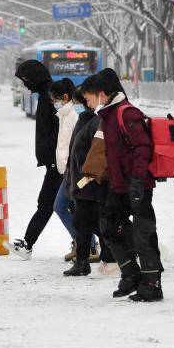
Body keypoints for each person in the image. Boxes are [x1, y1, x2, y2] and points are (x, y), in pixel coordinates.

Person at [84, 68, 165, 302]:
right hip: (118, 185)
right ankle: (131, 273)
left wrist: (138, 180)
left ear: (103, 93)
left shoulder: (126, 114)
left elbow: (143, 148)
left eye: (95, 95)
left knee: (143, 232)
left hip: (137, 184)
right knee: (109, 225)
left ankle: (152, 282)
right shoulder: (109, 115)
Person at [4, 59, 61, 259]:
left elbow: (57, 131)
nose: (25, 84)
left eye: (26, 79)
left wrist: (54, 158)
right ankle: (93, 243)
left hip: (58, 162)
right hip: (54, 161)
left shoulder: (50, 96)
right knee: (64, 204)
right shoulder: (45, 95)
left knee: (49, 203)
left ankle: (28, 243)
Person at [63, 77, 118, 277]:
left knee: (85, 224)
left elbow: (96, 154)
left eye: (81, 101)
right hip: (80, 184)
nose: (79, 105)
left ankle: (85, 261)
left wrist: (84, 178)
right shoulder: (84, 121)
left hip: (88, 184)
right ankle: (91, 259)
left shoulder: (95, 122)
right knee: (85, 223)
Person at [49, 78, 97, 263]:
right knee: (76, 210)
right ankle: (86, 244)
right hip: (69, 171)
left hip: (77, 172)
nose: (54, 103)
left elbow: (79, 146)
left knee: (63, 206)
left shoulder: (74, 116)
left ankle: (88, 245)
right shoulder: (64, 115)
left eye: (55, 99)